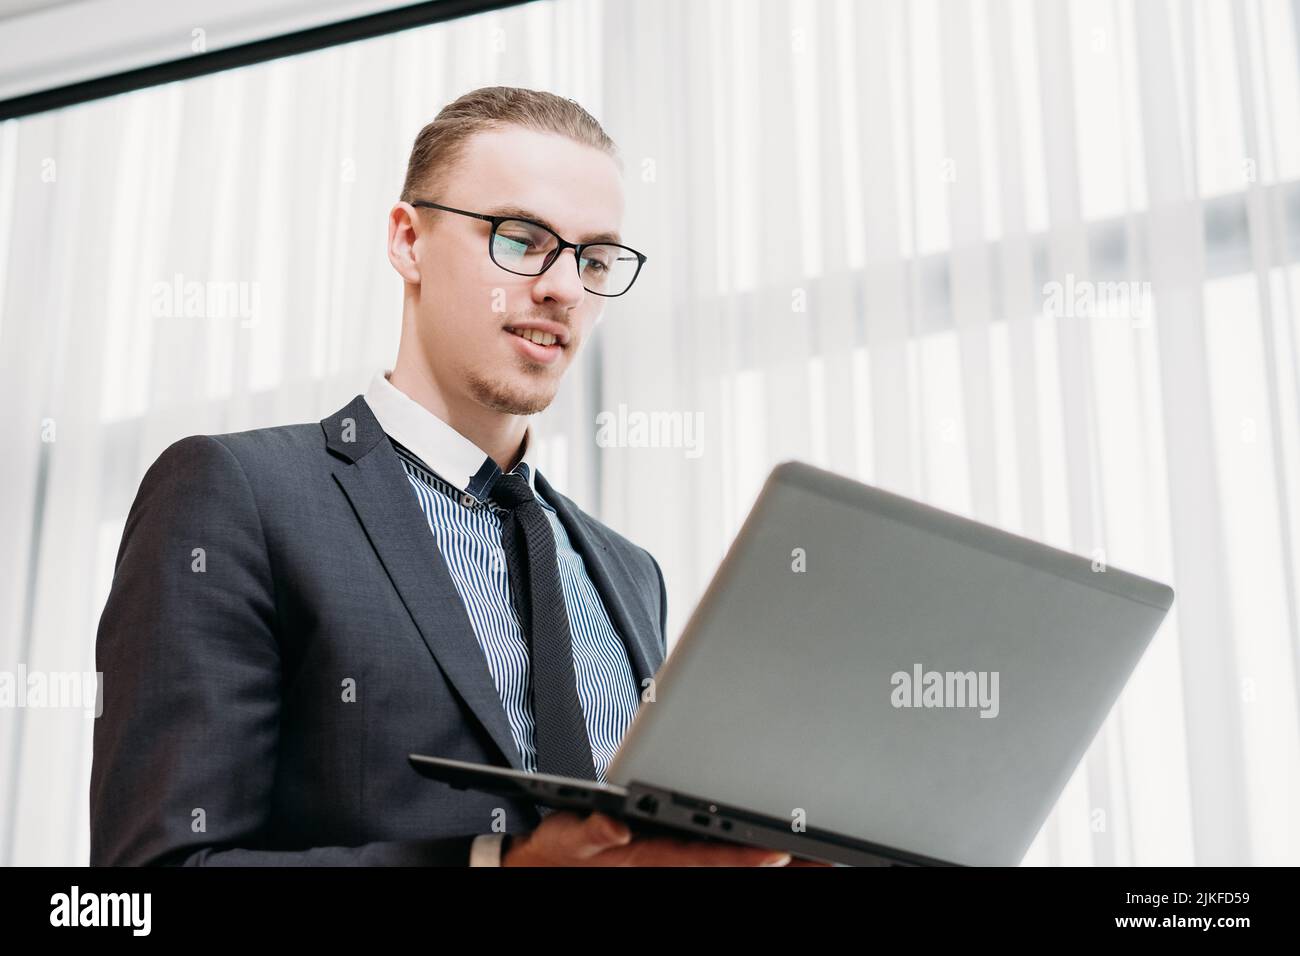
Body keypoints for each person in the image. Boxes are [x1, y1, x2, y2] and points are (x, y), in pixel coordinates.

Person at [90, 86, 800, 867]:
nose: (564, 288)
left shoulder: (632, 575)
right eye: (521, 239)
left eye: (594, 258)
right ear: (407, 241)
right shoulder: (236, 495)